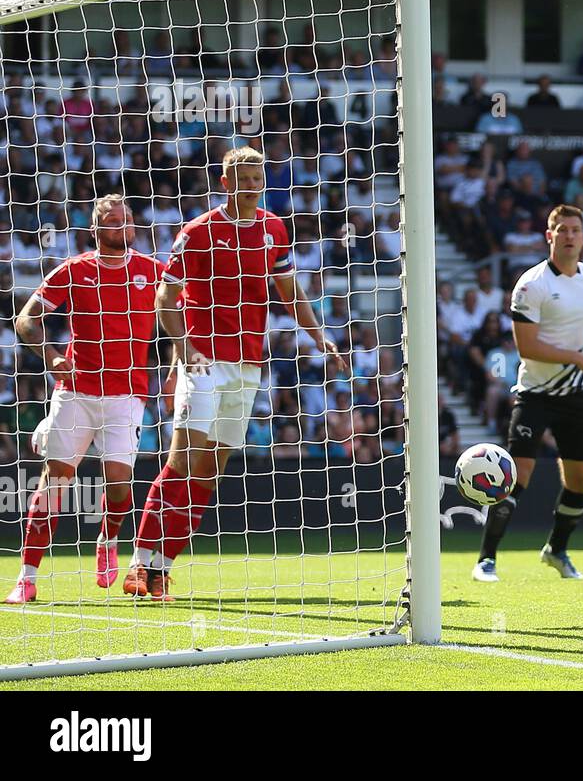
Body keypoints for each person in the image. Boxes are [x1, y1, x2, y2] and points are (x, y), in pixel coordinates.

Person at [125, 147, 345, 600]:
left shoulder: (273, 229)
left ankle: (163, 566)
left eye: (257, 178)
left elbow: (290, 291)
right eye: (242, 178)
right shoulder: (198, 232)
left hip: (247, 366)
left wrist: (318, 335)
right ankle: (138, 562)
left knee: (213, 468)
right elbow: (166, 299)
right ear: (225, 182)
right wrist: (184, 351)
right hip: (203, 360)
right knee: (182, 463)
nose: (251, 185)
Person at [6, 197, 167, 604]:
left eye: (127, 220)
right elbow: (25, 319)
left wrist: (185, 356)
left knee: (118, 482)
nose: (122, 227)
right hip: (76, 391)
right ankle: (26, 576)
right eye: (112, 222)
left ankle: (108, 540)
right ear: (95, 230)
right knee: (56, 480)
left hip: (127, 394)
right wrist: (52, 355)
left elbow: (184, 312)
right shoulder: (75, 270)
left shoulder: (153, 271)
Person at [473, 205, 583, 581]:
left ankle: (557, 550)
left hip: (577, 395)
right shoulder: (531, 284)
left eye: (575, 230)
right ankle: (486, 559)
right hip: (535, 393)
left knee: (581, 478)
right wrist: (577, 359)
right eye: (562, 229)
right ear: (549, 236)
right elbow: (527, 348)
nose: (569, 235)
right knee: (518, 474)